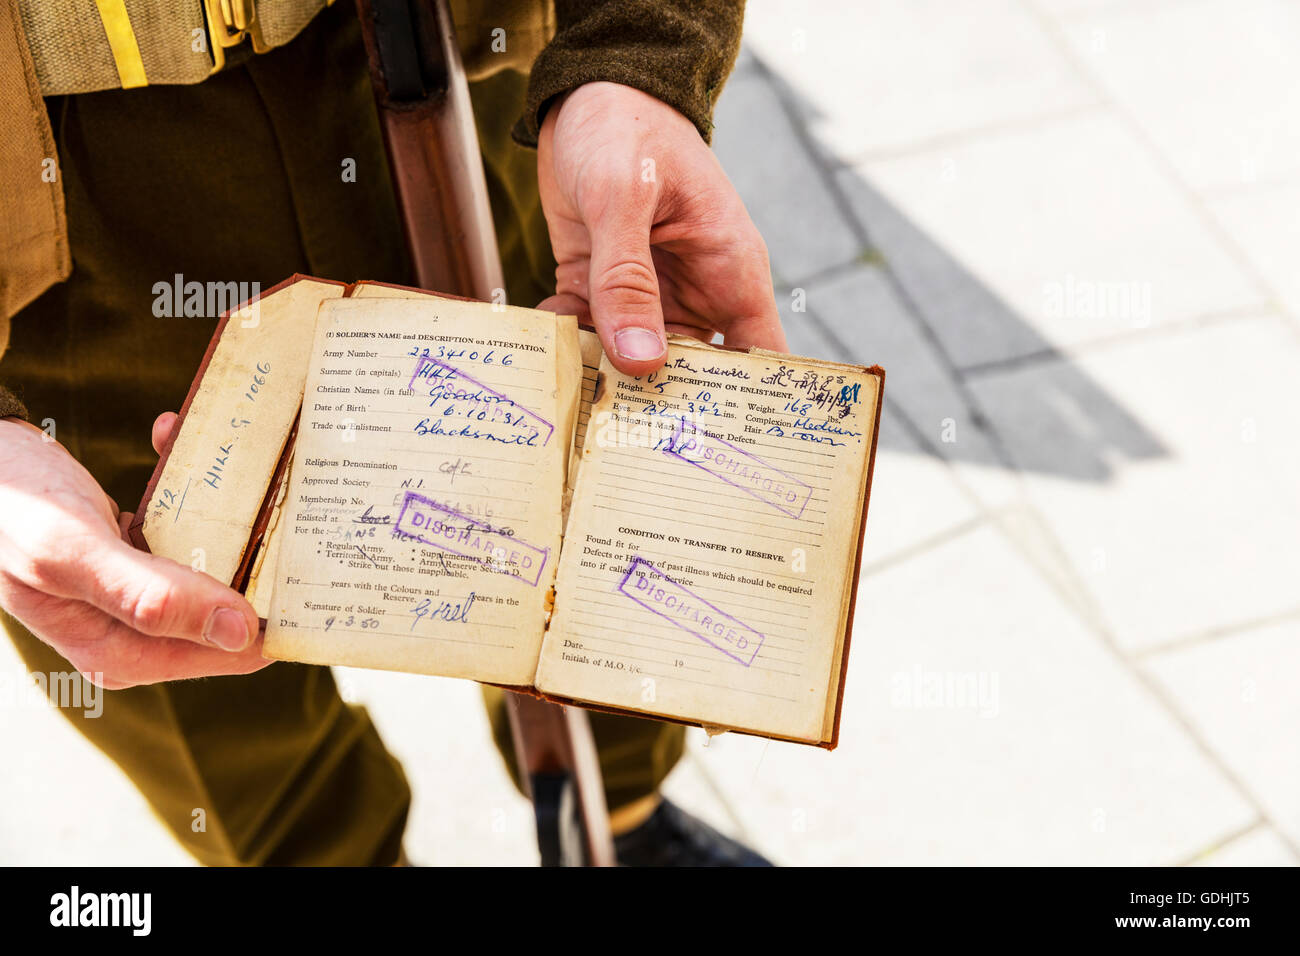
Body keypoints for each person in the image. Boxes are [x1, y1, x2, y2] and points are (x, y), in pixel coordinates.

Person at [0, 0, 785, 865]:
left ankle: (624, 814)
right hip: (64, 202)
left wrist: (635, 53)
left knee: (577, 506)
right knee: (172, 630)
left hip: (425, 60)